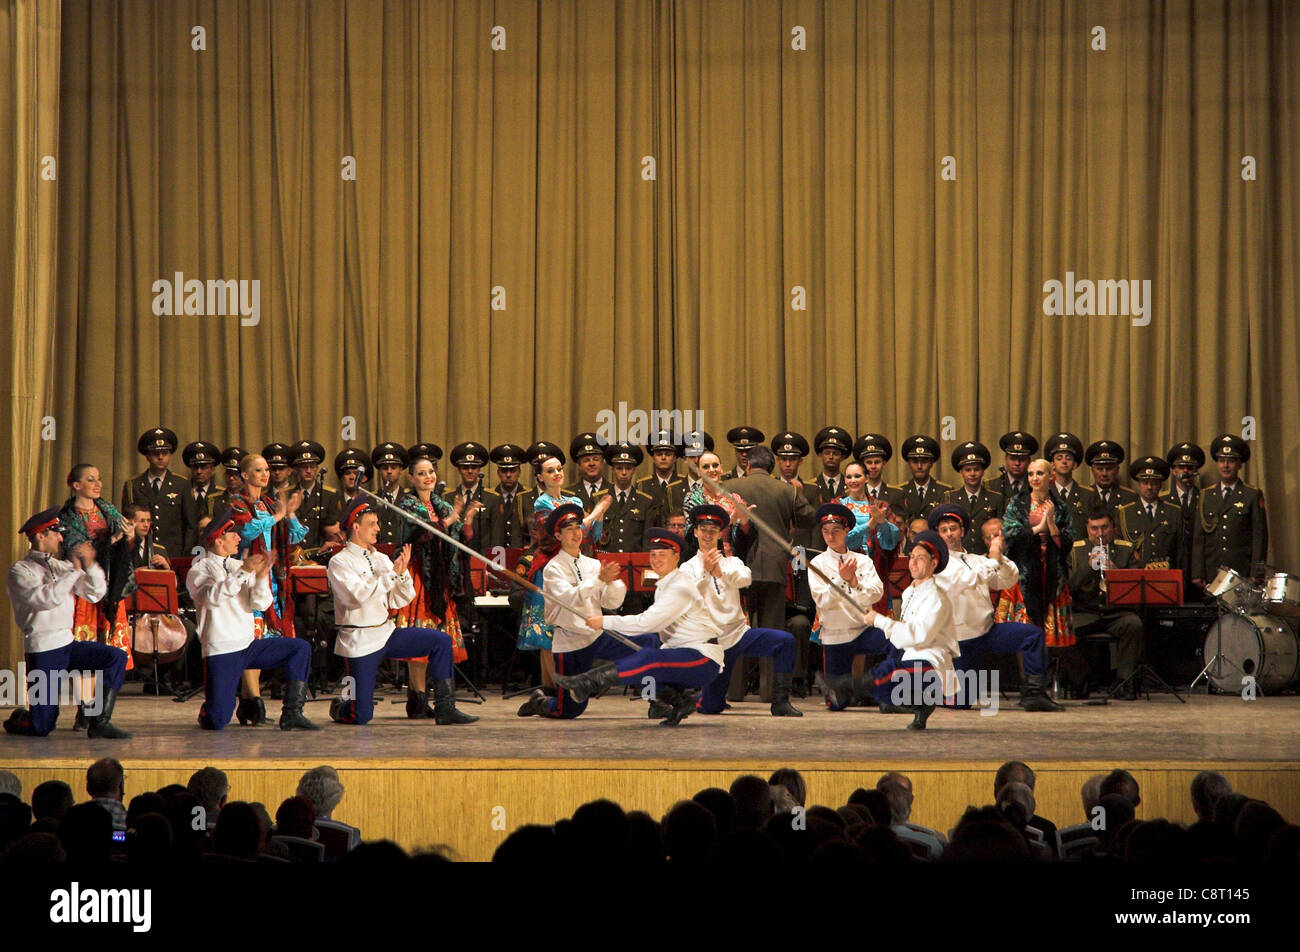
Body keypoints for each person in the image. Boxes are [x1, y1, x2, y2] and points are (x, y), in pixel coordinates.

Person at [326, 498, 477, 725]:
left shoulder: (380, 558)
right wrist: (391, 576)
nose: (378, 528)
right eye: (372, 523)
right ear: (356, 527)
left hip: (386, 633)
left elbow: (400, 598)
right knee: (361, 716)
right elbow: (355, 596)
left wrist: (403, 574)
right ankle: (342, 706)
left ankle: (446, 707)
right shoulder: (340, 562)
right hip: (358, 639)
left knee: (441, 641)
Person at [553, 528, 724, 727]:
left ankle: (587, 682)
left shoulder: (679, 586)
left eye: (663, 555)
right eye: (653, 555)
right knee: (640, 663)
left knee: (649, 658)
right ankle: (680, 702)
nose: (656, 559)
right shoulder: (667, 584)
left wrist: (604, 621)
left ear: (676, 557)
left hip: (702, 659)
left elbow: (647, 623)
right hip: (685, 654)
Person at [4, 507, 131, 738]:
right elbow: (45, 599)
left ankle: (99, 722)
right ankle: (20, 718)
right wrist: (75, 571)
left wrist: (90, 566)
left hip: (68, 643)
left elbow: (95, 593)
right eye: (56, 532)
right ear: (40, 535)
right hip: (43, 649)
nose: (61, 538)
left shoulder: (60, 566)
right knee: (42, 727)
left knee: (115, 657)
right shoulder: (20, 570)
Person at [185, 509, 317, 730]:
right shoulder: (200, 569)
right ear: (218, 540)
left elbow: (261, 604)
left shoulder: (238, 566)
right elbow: (213, 597)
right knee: (217, 721)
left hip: (248, 645)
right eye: (232, 534)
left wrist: (262, 576)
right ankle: (210, 711)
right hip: (222, 649)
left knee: (299, 648)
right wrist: (245, 572)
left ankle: (293, 712)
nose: (239, 537)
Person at [515, 504, 648, 719]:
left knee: (643, 646)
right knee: (568, 710)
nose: (576, 533)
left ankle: (655, 698)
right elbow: (569, 599)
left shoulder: (593, 564)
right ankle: (541, 702)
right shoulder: (552, 568)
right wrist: (598, 581)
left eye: (578, 527)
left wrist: (613, 584)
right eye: (569, 529)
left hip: (596, 635)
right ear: (558, 535)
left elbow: (611, 602)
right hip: (569, 642)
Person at [926, 503, 1061, 711]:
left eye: (953, 529)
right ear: (937, 535)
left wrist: (1000, 559)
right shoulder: (937, 565)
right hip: (960, 643)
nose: (949, 534)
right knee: (961, 702)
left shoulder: (976, 559)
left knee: (1032, 635)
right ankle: (930, 691)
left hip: (987, 632)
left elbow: (1006, 580)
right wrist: (994, 558)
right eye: (943, 531)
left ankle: (1034, 693)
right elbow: (965, 580)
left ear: (962, 531)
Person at [684, 505, 802, 717]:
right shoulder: (687, 568)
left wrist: (720, 572)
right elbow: (688, 594)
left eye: (713, 530)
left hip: (739, 634)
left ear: (720, 534)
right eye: (704, 530)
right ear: (695, 532)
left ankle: (781, 702)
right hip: (713, 644)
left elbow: (745, 578)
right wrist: (705, 573)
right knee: (712, 707)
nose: (708, 535)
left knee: (785, 641)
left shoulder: (732, 562)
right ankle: (697, 698)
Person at [226, 454, 307, 724]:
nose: (265, 475)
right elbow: (245, 533)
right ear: (245, 475)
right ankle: (253, 699)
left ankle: (251, 702)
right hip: (249, 576)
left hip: (273, 577)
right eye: (258, 470)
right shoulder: (237, 502)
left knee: (267, 638)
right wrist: (277, 516)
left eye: (267, 470)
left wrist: (290, 514)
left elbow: (295, 537)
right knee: (253, 636)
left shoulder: (271, 503)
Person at [392, 453, 475, 718]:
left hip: (440, 579)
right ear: (411, 477)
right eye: (422, 473)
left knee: (440, 636)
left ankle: (435, 699)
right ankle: (417, 698)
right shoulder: (407, 503)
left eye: (431, 472)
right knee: (420, 636)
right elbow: (425, 532)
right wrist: (452, 520)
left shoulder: (440, 503)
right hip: (418, 575)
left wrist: (466, 521)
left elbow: (459, 533)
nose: (428, 477)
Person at [858, 530, 959, 730]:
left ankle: (846, 686)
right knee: (884, 685)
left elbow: (918, 636)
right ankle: (921, 704)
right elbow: (904, 631)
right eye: (911, 557)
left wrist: (879, 621)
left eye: (920, 558)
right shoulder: (909, 592)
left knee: (887, 676)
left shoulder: (937, 597)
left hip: (930, 662)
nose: (913, 562)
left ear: (933, 563)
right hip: (909, 654)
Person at [59, 464, 136, 725]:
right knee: (88, 646)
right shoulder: (68, 517)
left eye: (99, 478)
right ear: (76, 485)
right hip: (85, 590)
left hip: (110, 587)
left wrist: (128, 536)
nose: (97, 484)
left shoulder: (107, 509)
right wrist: (112, 540)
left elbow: (121, 542)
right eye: (90, 479)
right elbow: (78, 549)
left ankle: (100, 711)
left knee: (110, 646)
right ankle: (85, 708)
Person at [807, 503, 891, 711]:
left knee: (896, 642)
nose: (830, 536)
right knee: (836, 704)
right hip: (835, 635)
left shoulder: (862, 561)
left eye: (836, 531)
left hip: (862, 630)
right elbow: (823, 600)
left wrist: (855, 584)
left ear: (847, 531)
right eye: (826, 531)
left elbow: (877, 592)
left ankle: (881, 690)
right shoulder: (817, 564)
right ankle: (856, 689)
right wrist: (842, 581)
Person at [998, 457, 1075, 652]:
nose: (1034, 478)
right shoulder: (1017, 503)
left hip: (1052, 573)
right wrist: (1037, 528)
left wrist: (1051, 526)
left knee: (1051, 636)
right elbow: (1010, 535)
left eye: (1040, 473)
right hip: (1023, 572)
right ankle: (1026, 678)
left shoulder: (1060, 506)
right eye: (1031, 473)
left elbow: (1067, 542)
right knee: (1023, 633)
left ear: (1051, 476)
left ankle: (1050, 676)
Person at [1069, 508, 1144, 698]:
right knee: (1063, 629)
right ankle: (1081, 680)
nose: (1100, 534)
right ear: (1087, 529)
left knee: (1133, 624)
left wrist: (1115, 572)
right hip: (1085, 612)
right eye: (1094, 529)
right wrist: (1087, 567)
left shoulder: (1126, 550)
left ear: (1114, 529)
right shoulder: (1075, 551)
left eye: (1104, 528)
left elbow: (1136, 589)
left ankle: (1125, 682)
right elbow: (1067, 587)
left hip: (1115, 613)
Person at [1191, 434, 1268, 587]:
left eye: (1231, 461)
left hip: (1242, 572)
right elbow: (1199, 539)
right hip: (1212, 572)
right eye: (1221, 461)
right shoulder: (1206, 495)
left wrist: (1256, 573)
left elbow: (1259, 537)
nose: (1225, 465)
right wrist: (1197, 573)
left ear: (1239, 465)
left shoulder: (1251, 494)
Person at [121, 427, 196, 559]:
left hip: (173, 554)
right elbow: (127, 522)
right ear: (148, 456)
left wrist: (186, 555)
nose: (160, 457)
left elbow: (190, 525)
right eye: (156, 453)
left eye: (165, 453)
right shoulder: (133, 485)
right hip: (141, 553)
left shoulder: (182, 484)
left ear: (170, 455)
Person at [1118, 456, 1184, 566]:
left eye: (1154, 482)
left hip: (1166, 576)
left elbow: (1181, 552)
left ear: (1160, 485)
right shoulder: (1125, 513)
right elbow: (1120, 550)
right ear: (1138, 483)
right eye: (1145, 482)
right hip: (1135, 574)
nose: (1149, 487)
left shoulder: (1173, 512)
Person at [943, 442, 1003, 555]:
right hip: (959, 558)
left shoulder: (995, 498)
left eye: (976, 469)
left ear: (983, 471)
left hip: (987, 557)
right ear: (961, 472)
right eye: (968, 470)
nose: (972, 473)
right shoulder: (950, 498)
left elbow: (1001, 532)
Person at [1161, 442, 1204, 596]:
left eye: (1190, 468)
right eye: (1181, 467)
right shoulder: (1162, 500)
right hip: (1169, 567)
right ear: (1173, 471)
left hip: (1198, 570)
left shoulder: (1205, 498)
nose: (1185, 471)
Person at [1045, 432, 1095, 542]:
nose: (1064, 461)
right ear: (1052, 464)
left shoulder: (1088, 495)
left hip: (1079, 554)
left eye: (1068, 458)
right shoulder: (1044, 493)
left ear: (1075, 464)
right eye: (1059, 458)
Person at [897, 435, 951, 522]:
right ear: (909, 464)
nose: (919, 466)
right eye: (915, 462)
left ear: (931, 463)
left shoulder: (945, 492)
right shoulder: (900, 492)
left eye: (924, 461)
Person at [486, 443, 529, 549]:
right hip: (495, 552)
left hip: (521, 552)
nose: (508, 475)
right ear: (498, 472)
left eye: (513, 470)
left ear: (519, 472)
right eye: (504, 471)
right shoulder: (490, 497)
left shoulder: (527, 496)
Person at [1085, 440, 1138, 524]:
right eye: (1099, 469)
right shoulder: (1085, 495)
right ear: (1092, 470)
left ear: (1117, 470)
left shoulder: (1129, 497)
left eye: (1109, 469)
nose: (1104, 474)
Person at [370, 441, 410, 547]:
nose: (389, 471)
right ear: (379, 471)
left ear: (401, 470)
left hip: (403, 554)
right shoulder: (370, 498)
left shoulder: (410, 498)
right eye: (384, 468)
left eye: (393, 467)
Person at [984, 431, 1037, 507]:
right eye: (1012, 458)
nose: (1017, 463)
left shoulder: (1036, 486)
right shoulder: (990, 486)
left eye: (1022, 459)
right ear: (1006, 459)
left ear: (1029, 461)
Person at [812, 426, 854, 501]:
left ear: (842, 457)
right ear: (820, 455)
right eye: (827, 453)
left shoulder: (851, 486)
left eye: (835, 453)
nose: (831, 457)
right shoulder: (811, 486)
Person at [124, 504, 171, 569]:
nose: (146, 525)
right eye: (142, 521)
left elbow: (173, 578)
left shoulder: (159, 550)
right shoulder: (122, 549)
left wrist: (167, 567)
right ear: (129, 522)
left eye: (148, 521)